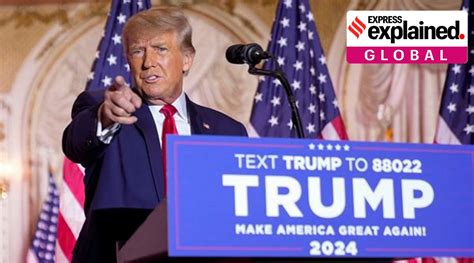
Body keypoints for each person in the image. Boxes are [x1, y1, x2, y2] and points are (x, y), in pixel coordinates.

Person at [62, 6, 247, 262]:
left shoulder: (227, 131)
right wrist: (106, 116)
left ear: (187, 59)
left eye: (160, 49)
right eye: (138, 51)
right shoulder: (105, 108)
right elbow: (75, 144)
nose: (148, 63)